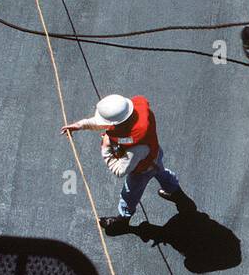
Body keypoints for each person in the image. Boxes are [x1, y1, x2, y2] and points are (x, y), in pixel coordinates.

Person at [61, 94, 188, 234]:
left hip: (142, 169)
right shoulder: (132, 115)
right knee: (161, 172)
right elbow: (105, 124)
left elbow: (119, 170)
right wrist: (79, 125)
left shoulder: (136, 147)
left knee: (129, 193)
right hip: (155, 154)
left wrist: (105, 148)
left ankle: (123, 219)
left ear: (116, 124)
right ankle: (178, 195)